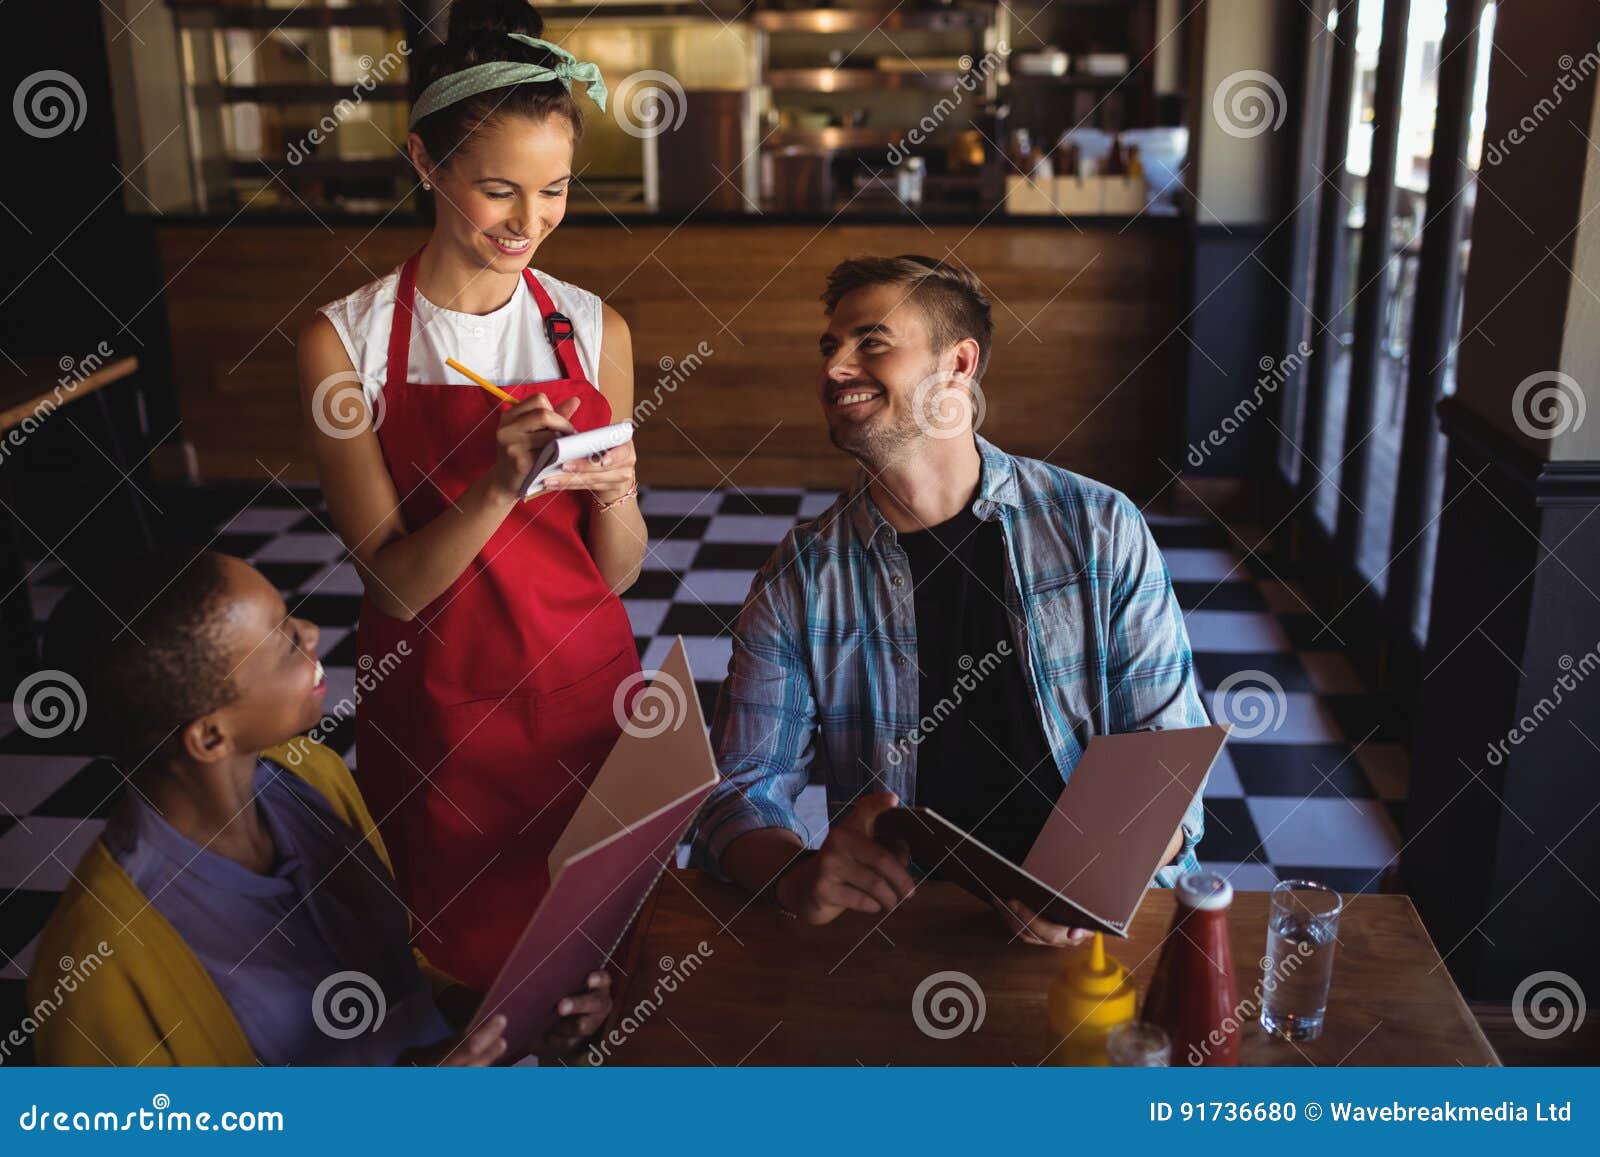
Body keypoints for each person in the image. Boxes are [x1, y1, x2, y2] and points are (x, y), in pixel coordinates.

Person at [691, 255, 1209, 946]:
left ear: (958, 365)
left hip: (1106, 927)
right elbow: (742, 794)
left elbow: (1169, 767)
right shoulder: (801, 576)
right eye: (830, 346)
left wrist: (1092, 880)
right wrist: (797, 874)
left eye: (871, 342)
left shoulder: (1098, 528)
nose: (836, 367)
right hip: (898, 933)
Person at [296, 0, 644, 990]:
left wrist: (616, 494)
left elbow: (613, 570)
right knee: (460, 975)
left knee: (594, 976)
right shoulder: (345, 345)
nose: (528, 223)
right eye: (498, 190)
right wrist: (498, 486)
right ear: (424, 163)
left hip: (582, 693)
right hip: (440, 705)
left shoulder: (592, 330)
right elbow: (395, 584)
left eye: (555, 191)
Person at [28, 552, 612, 1065]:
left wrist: (509, 1016)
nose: (310, 632)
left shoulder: (314, 774)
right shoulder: (94, 961)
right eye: (283, 641)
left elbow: (399, 974)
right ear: (209, 738)